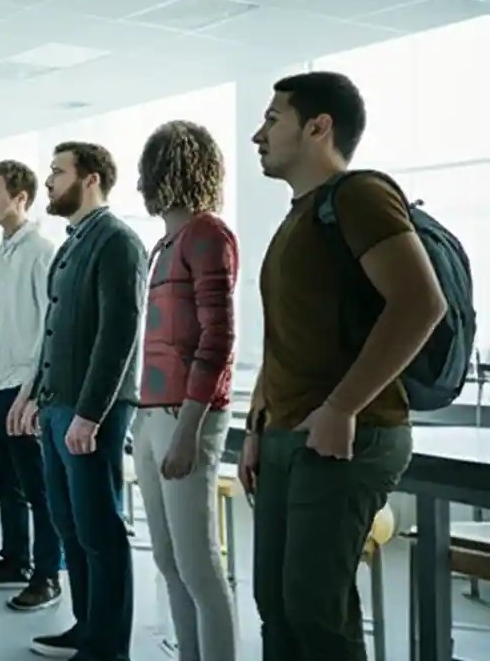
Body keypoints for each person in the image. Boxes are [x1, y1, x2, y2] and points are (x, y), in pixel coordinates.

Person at [244, 71, 445, 660]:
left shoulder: (358, 195)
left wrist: (342, 407)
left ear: (318, 126)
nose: (259, 134)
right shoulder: (296, 217)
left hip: (351, 432)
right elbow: (289, 338)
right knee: (276, 605)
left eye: (273, 118)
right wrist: (260, 424)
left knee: (314, 607)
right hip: (288, 431)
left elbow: (420, 303)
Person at [10, 142, 147, 661]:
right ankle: (86, 627)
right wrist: (30, 394)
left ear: (89, 179)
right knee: (71, 527)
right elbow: (53, 332)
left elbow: (119, 334)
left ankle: (108, 647)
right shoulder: (71, 244)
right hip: (55, 405)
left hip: (91, 411)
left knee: (99, 530)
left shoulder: (117, 242)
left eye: (57, 172)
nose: (48, 181)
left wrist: (89, 414)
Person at [132, 120, 239, 661]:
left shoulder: (206, 234)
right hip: (153, 414)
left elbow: (218, 338)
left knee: (199, 564)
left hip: (186, 414)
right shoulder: (167, 243)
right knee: (170, 561)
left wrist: (189, 428)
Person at [0, 160, 65, 611]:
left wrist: (35, 391)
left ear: (20, 197)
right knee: (4, 479)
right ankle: (14, 560)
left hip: (23, 386)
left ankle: (47, 576)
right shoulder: (3, 252)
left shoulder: (41, 250)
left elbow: (51, 322)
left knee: (38, 486)